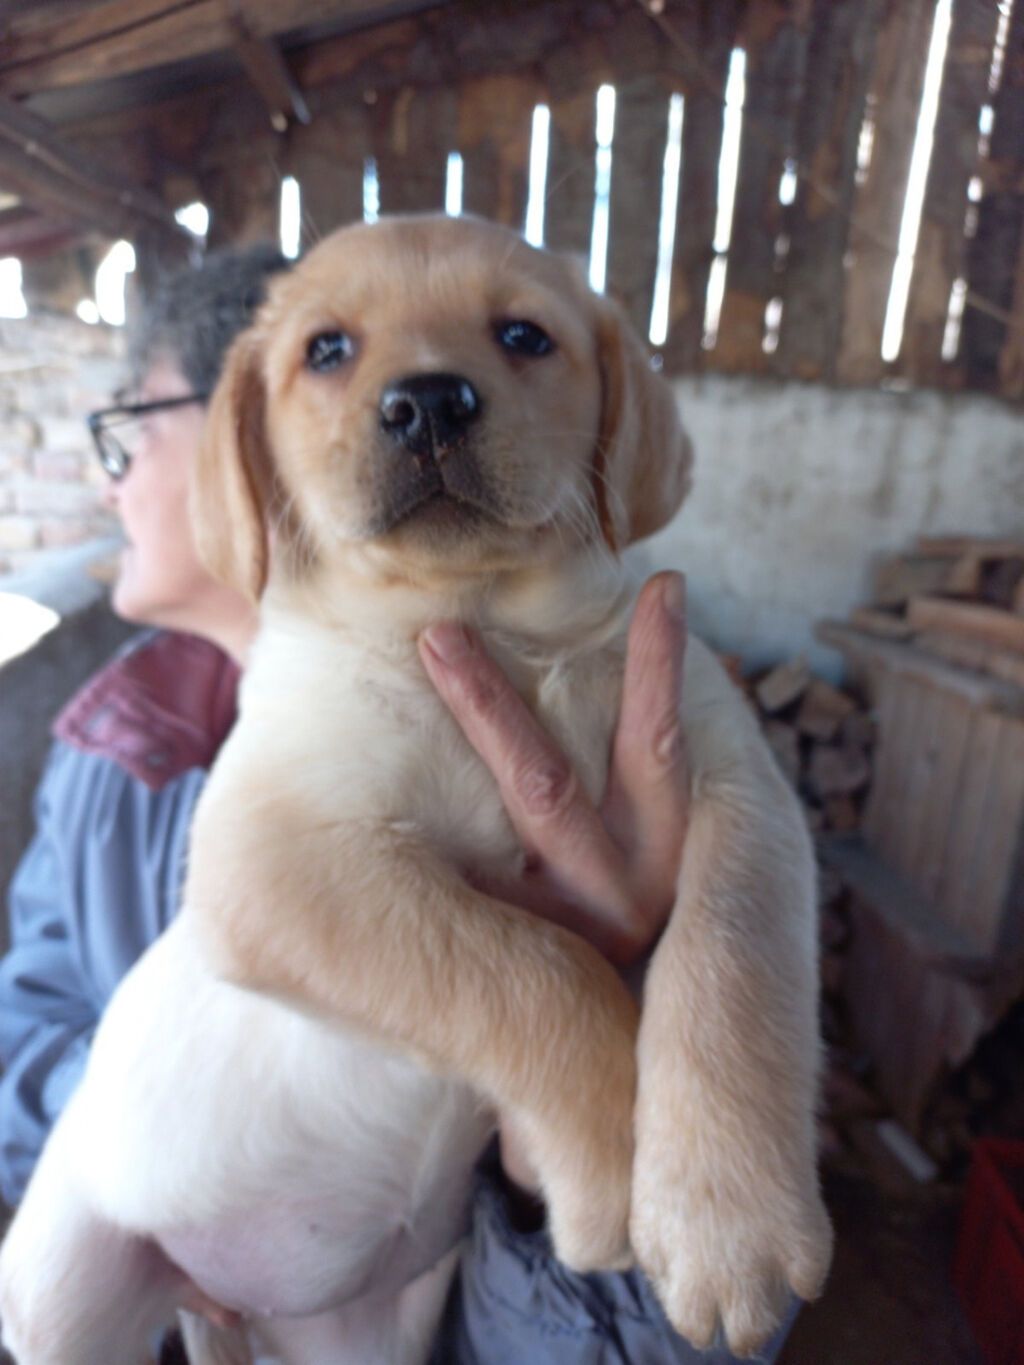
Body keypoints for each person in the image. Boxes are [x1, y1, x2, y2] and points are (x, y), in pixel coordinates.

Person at [0, 243, 797, 1364]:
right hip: (148, 1188)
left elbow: (747, 839)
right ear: (251, 436)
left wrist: (582, 1108)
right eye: (331, 353)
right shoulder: (97, 755)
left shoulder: (623, 654)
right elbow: (38, 1023)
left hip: (420, 1266)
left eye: (521, 337)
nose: (108, 475)